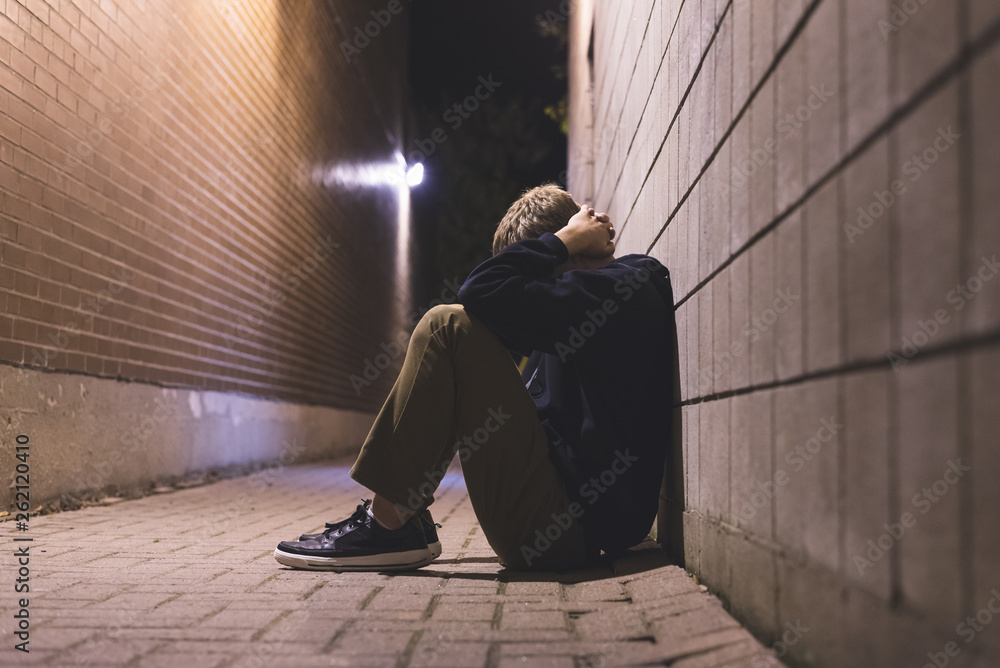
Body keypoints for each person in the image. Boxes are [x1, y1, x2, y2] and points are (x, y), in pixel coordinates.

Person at [274, 183, 675, 572]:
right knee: (459, 338)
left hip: (567, 531)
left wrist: (563, 239)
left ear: (566, 252)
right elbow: (488, 306)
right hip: (560, 515)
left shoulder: (621, 292)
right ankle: (401, 516)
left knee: (446, 324)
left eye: (539, 269)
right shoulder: (579, 308)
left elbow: (480, 289)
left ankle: (388, 522)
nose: (532, 288)